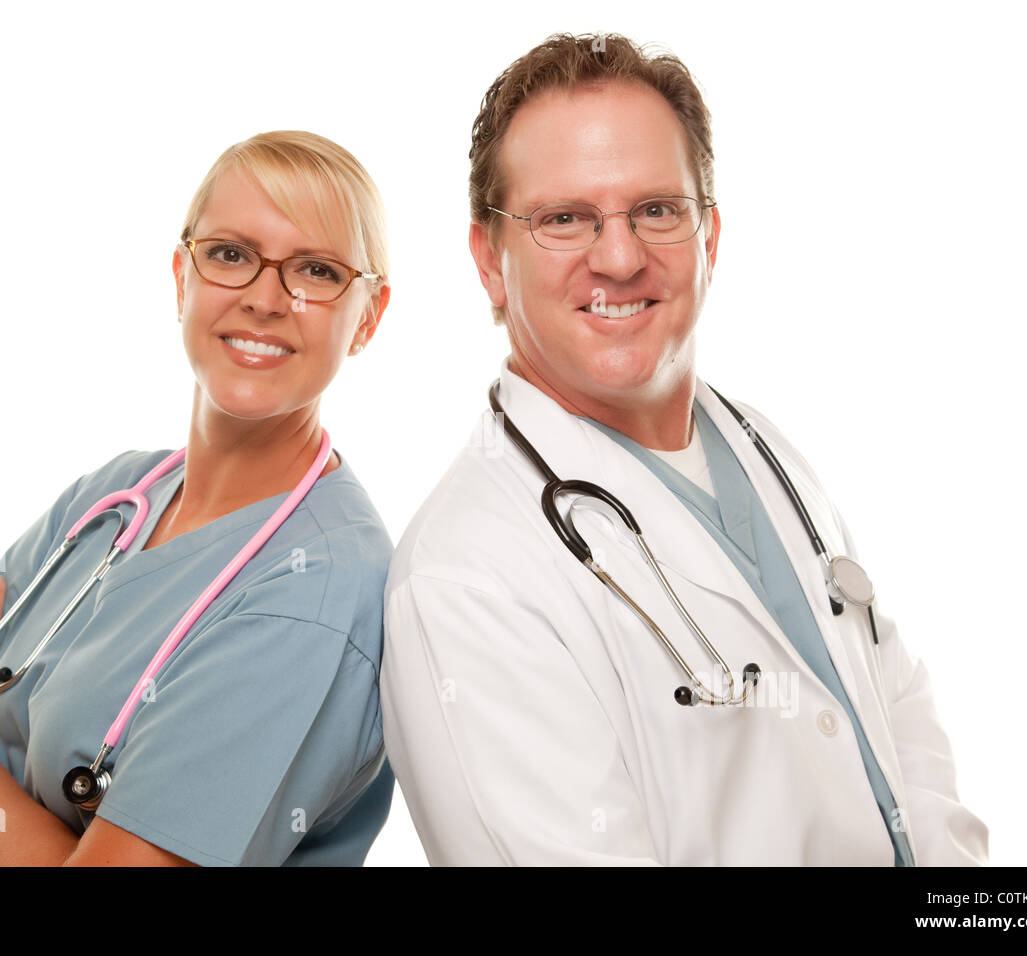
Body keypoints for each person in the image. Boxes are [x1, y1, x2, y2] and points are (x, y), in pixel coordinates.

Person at [379, 34, 989, 866]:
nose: (621, 257)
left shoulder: (765, 450)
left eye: (657, 209)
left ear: (709, 235)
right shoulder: (467, 577)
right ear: (490, 260)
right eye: (565, 219)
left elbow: (900, 718)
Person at [0, 130, 395, 866]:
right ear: (182, 277)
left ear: (367, 316)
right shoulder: (110, 499)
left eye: (316, 269)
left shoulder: (315, 593)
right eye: (232, 254)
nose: (266, 299)